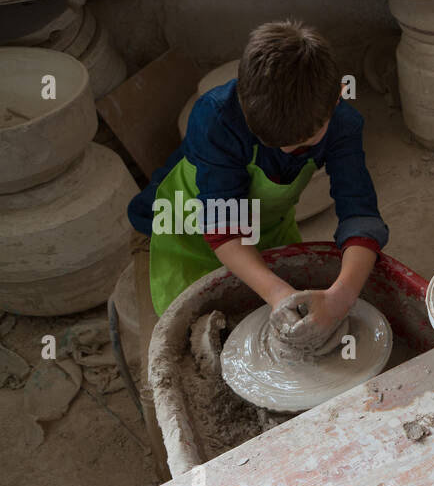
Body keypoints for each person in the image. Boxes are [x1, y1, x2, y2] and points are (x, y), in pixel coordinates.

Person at [128, 20, 388, 352]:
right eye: (272, 142)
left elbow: (360, 214)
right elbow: (223, 229)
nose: (287, 152)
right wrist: (278, 295)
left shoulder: (344, 126)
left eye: (304, 141)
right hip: (183, 227)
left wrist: (340, 298)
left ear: (337, 99)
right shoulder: (216, 117)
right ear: (243, 98)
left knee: (291, 306)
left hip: (263, 224)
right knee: (181, 347)